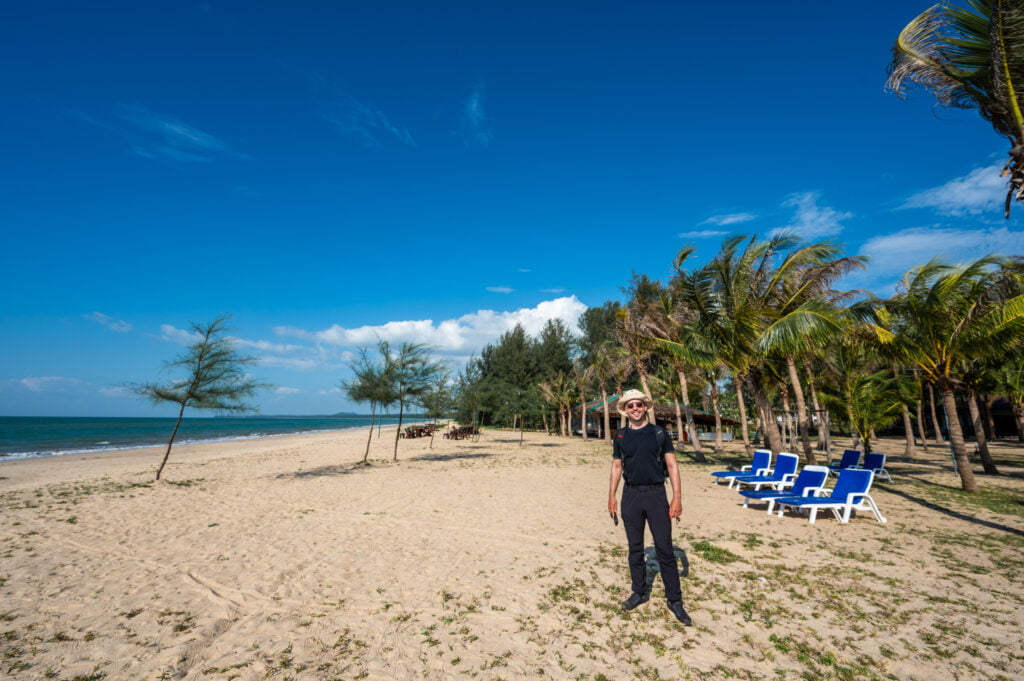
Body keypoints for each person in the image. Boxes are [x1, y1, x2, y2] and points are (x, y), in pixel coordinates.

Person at [607, 389, 692, 625]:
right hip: (631, 495)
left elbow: (672, 466)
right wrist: (611, 496)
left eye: (639, 405)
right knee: (635, 549)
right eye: (630, 406)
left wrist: (677, 498)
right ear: (624, 410)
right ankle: (639, 592)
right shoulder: (620, 436)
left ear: (645, 407)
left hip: (656, 494)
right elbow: (616, 466)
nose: (635, 409)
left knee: (665, 549)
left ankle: (675, 600)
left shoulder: (659, 433)